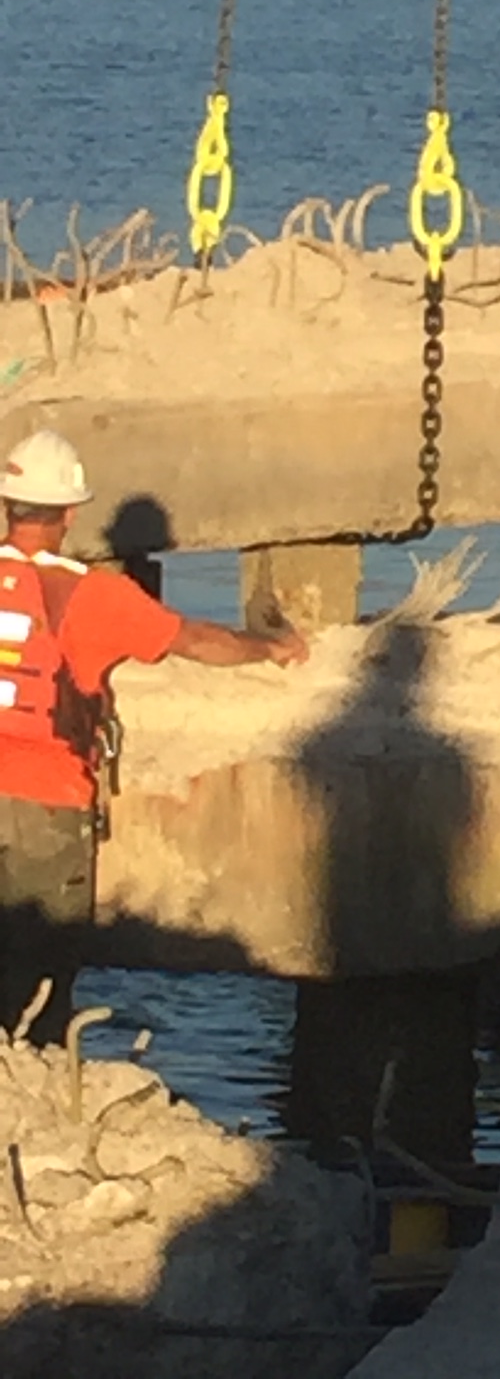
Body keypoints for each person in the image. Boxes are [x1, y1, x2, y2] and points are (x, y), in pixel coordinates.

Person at [0, 429, 308, 1040]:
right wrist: (272, 647)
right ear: (69, 513)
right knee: (39, 973)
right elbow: (195, 641)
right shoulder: (94, 596)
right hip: (47, 799)